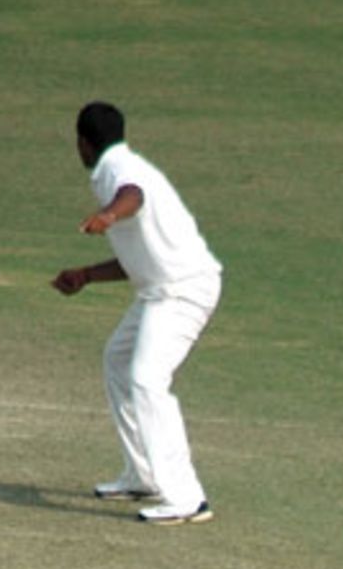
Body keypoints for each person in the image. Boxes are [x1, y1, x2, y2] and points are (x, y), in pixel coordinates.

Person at [51, 100, 222, 522]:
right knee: (118, 359)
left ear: (82, 144)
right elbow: (139, 258)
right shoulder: (121, 166)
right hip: (159, 291)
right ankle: (142, 475)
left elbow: (134, 196)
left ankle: (186, 497)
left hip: (183, 291)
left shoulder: (116, 170)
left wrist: (107, 215)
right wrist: (87, 275)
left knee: (147, 380)